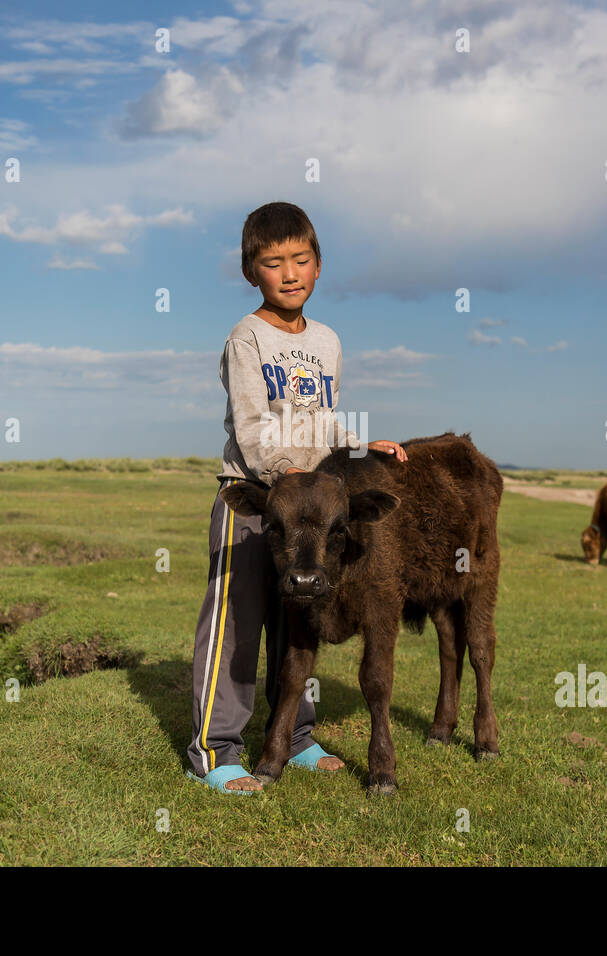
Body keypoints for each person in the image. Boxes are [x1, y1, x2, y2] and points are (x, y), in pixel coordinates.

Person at [185, 201, 408, 794]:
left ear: (318, 266)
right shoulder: (246, 339)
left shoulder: (329, 341)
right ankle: (215, 749)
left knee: (300, 623)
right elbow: (253, 422)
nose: (289, 273)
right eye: (273, 262)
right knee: (237, 620)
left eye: (301, 260)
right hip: (257, 498)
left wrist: (362, 448)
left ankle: (297, 737)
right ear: (250, 271)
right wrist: (284, 475)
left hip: (314, 510)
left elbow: (325, 421)